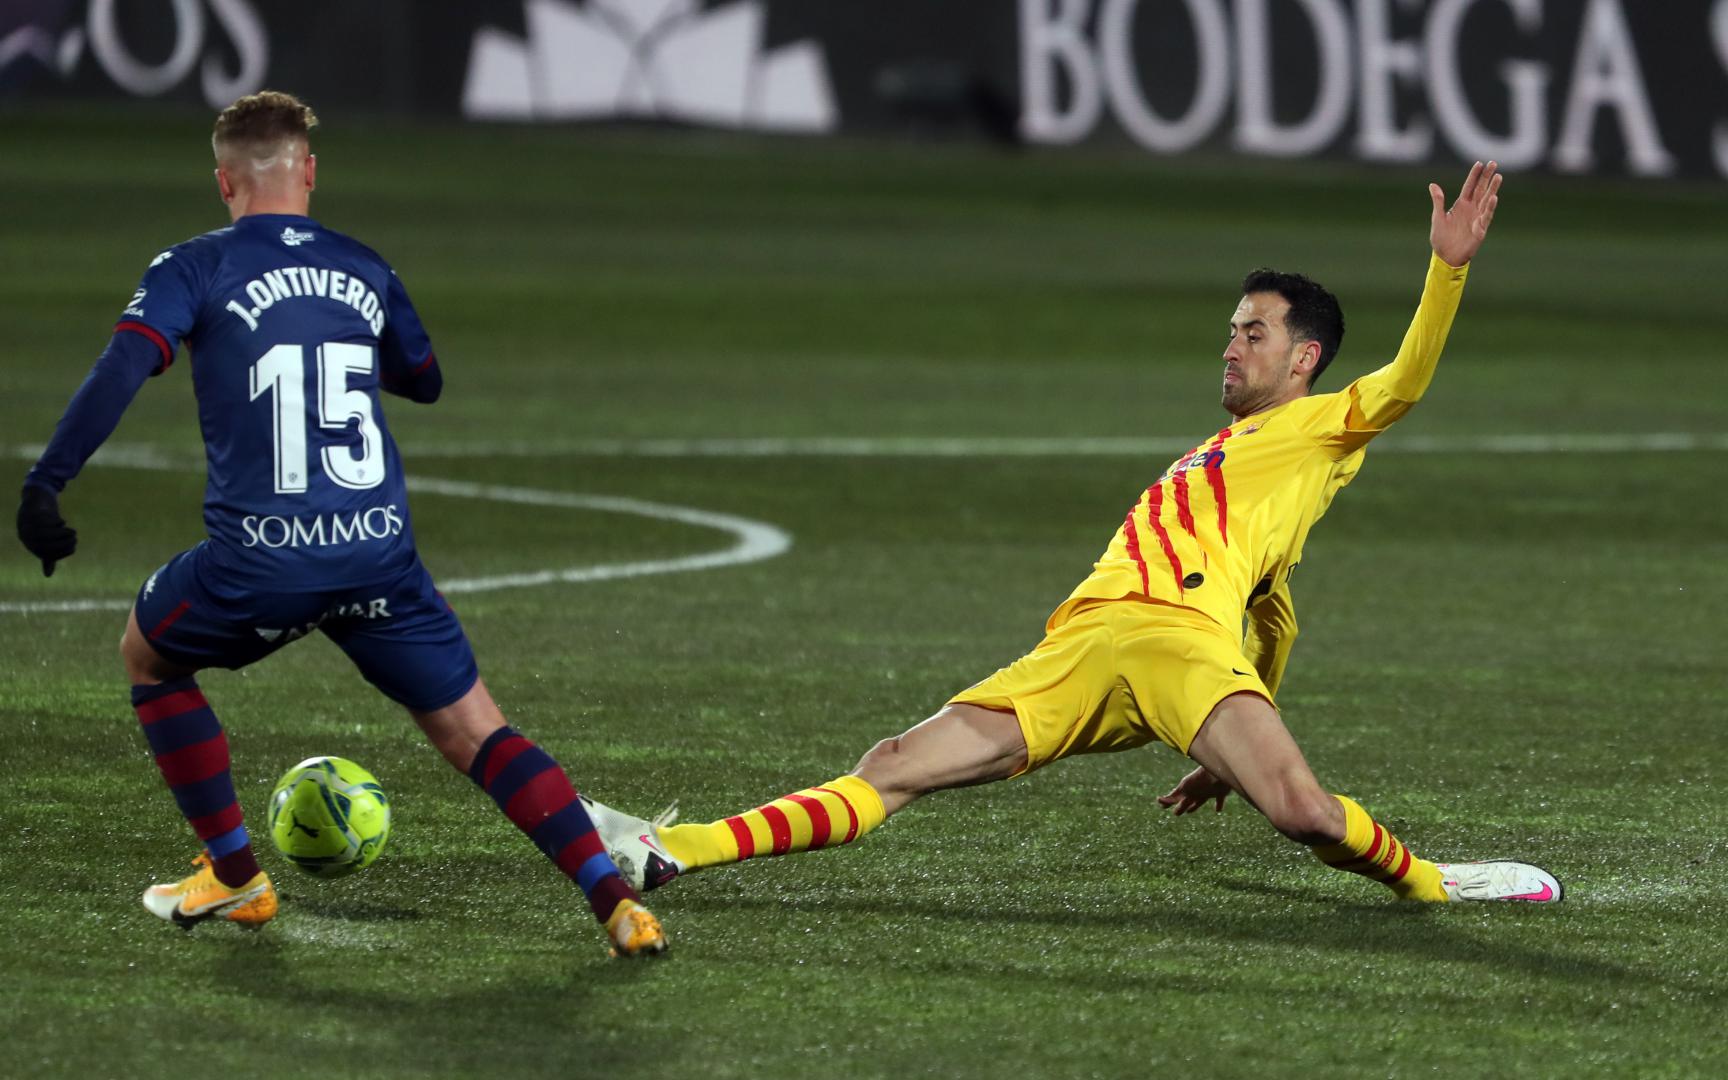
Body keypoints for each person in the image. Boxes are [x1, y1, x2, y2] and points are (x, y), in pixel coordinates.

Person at [582, 161, 1563, 909]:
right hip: (1083, 645)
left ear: (1304, 357)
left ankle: (1434, 881)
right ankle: (677, 851)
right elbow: (1276, 614)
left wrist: (1445, 273)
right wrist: (1236, 721)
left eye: (1252, 332)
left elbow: (1404, 386)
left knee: (1302, 812)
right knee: (890, 765)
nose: (1229, 344)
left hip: (1178, 647)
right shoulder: (1230, 458)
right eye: (1229, 328)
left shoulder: (1320, 424)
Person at [13, 90, 667, 957]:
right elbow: (424, 378)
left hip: (260, 566)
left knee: (148, 655)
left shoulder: (192, 266)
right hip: (375, 559)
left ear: (223, 183)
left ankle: (236, 876)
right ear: (310, 171)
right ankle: (617, 901)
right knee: (478, 733)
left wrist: (47, 483)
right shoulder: (363, 266)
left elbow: (123, 366)